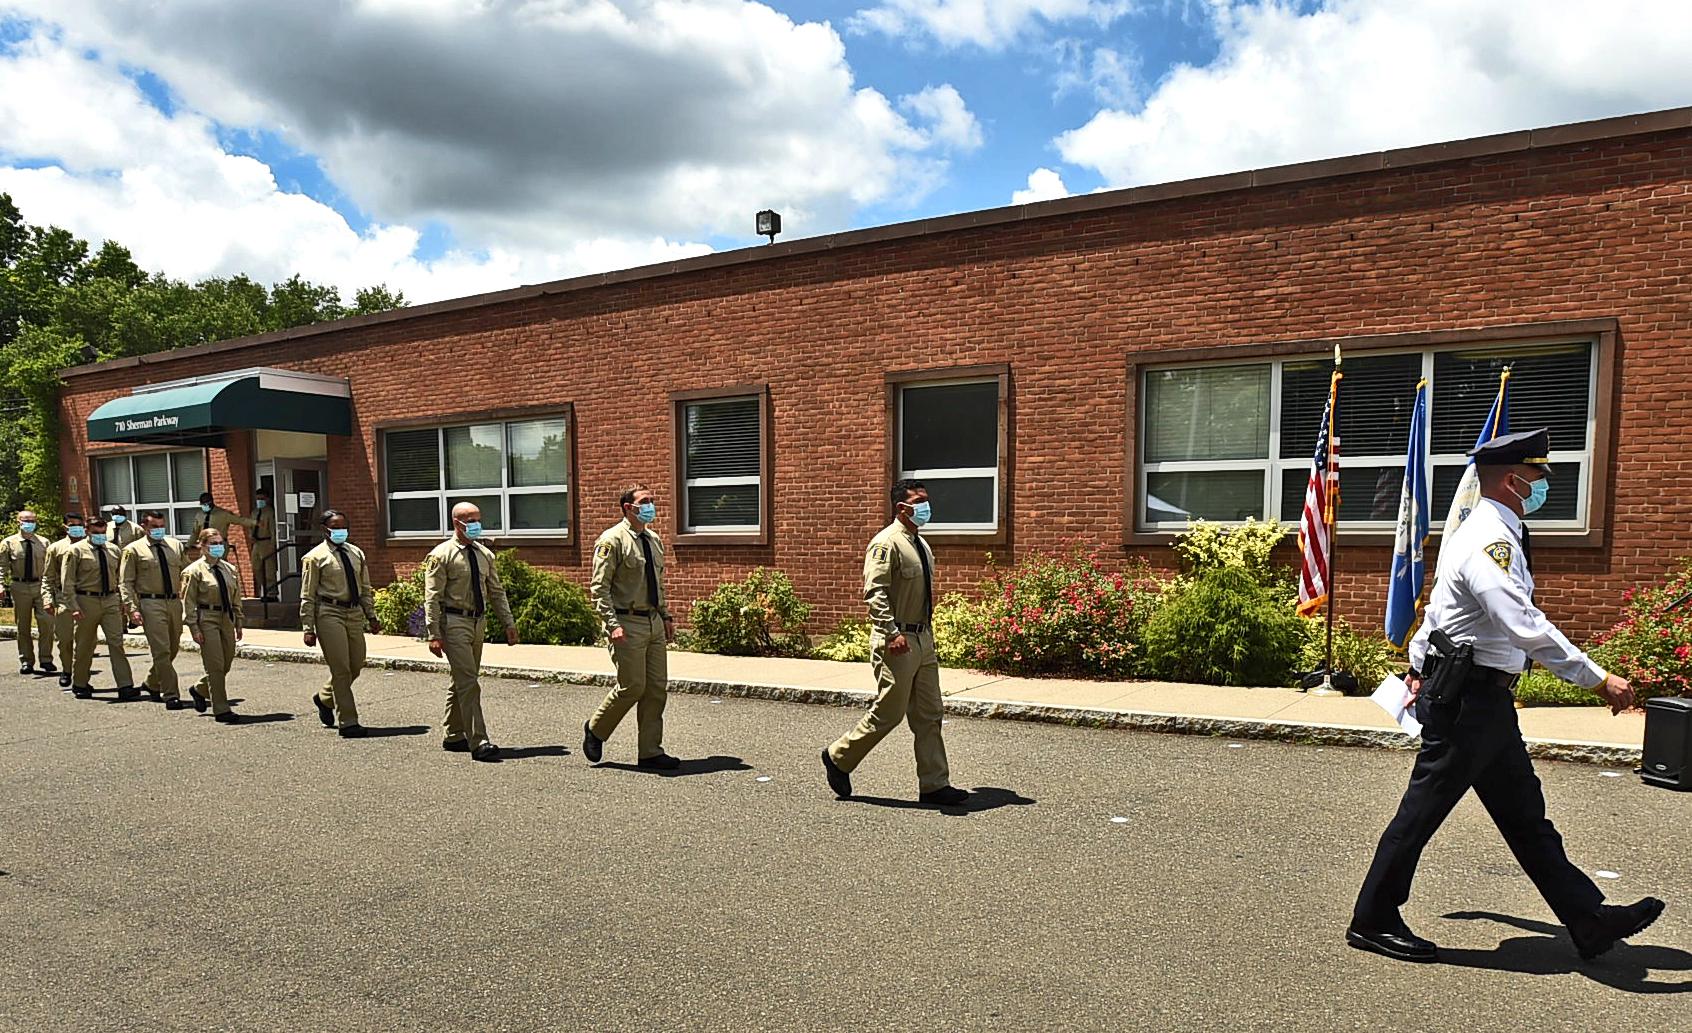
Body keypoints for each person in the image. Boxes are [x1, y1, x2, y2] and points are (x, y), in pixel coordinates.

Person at [1348, 428, 1666, 964]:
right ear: (1513, 478)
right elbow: (1522, 623)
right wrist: (1596, 678)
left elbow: (1439, 617)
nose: (1543, 485)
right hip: (1470, 703)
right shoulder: (1486, 540)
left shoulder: (1493, 533)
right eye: (1537, 476)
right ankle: (1373, 919)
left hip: (1483, 702)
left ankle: (1588, 920)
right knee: (1419, 815)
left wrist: (1416, 665)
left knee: (1525, 817)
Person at [821, 479, 967, 806]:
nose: (926, 506)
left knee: (930, 714)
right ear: (902, 508)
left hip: (922, 639)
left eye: (927, 499)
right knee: (890, 712)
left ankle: (934, 784)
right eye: (920, 500)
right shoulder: (885, 543)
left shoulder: (921, 544)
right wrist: (891, 632)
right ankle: (838, 757)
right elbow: (875, 593)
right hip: (897, 639)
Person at [582, 485, 678, 768]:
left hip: (653, 621)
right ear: (628, 508)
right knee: (633, 686)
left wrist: (666, 616)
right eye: (644, 502)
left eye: (652, 501)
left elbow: (657, 584)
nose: (651, 506)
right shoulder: (612, 540)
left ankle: (650, 751)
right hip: (626, 621)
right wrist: (612, 624)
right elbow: (599, 588)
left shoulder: (654, 540)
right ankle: (596, 729)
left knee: (656, 688)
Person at [423, 501, 516, 761]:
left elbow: (496, 592)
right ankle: (479, 741)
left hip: (478, 622)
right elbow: (432, 597)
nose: (475, 524)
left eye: (477, 518)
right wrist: (434, 633)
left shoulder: (485, 554)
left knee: (463, 679)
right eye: (470, 520)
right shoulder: (441, 555)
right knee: (469, 683)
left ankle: (453, 735)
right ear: (457, 523)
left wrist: (508, 623)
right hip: (454, 623)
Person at [301, 510, 380, 738]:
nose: (341, 531)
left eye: (344, 526)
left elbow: (365, 587)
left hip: (353, 612)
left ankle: (325, 697)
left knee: (356, 663)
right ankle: (348, 722)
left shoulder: (356, 553)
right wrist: (308, 627)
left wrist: (371, 615)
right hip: (329, 613)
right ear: (325, 530)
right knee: (341, 670)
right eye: (335, 527)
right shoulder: (315, 557)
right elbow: (308, 594)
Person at [52, 515, 137, 700]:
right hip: (85, 601)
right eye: (95, 532)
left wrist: (123, 602)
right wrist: (72, 606)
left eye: (102, 532)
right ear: (87, 531)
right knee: (84, 645)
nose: (100, 535)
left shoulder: (114, 550)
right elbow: (67, 582)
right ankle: (80, 683)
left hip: (110, 600)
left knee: (117, 643)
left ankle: (125, 685)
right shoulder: (75, 551)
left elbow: (120, 579)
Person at [120, 510, 187, 709]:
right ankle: (171, 694)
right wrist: (132, 609)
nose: (159, 530)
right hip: (150, 603)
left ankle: (151, 682)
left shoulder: (175, 545)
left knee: (173, 648)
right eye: (154, 527)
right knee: (162, 651)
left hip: (174, 602)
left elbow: (187, 572)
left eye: (161, 526)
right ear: (144, 527)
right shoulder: (133, 550)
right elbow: (126, 582)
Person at [180, 528, 244, 723]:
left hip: (226, 617)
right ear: (202, 545)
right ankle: (221, 709)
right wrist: (194, 627)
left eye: (219, 543)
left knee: (226, 662)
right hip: (206, 617)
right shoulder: (193, 571)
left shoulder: (228, 568)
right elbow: (188, 602)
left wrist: (239, 621)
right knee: (215, 665)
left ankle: (199, 689)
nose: (217, 547)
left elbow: (236, 597)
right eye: (212, 544)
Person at [1, 510, 54, 676]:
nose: (29, 523)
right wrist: (0, 585)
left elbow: (51, 567)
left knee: (46, 622)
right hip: (20, 586)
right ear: (18, 521)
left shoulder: (44, 542)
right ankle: (26, 661)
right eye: (26, 520)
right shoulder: (8, 543)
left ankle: (46, 659)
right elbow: (1, 566)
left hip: (41, 585)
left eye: (32, 520)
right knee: (22, 626)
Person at [40, 513, 85, 688]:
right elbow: (47, 577)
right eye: (73, 525)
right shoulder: (56, 548)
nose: (77, 528)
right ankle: (67, 670)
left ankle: (81, 673)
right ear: (65, 527)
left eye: (80, 524)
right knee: (65, 639)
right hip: (64, 598)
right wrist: (47, 599)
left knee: (84, 641)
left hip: (86, 598)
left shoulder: (91, 546)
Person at [190, 492, 256, 560]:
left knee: (218, 565)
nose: (204, 506)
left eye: (206, 504)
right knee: (205, 566)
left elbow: (240, 520)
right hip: (205, 545)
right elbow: (195, 532)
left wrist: (255, 523)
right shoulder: (199, 515)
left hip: (218, 545)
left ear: (211, 502)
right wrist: (188, 545)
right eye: (202, 504)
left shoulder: (223, 514)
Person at [251, 488, 279, 600]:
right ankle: (265, 589)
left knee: (269, 570)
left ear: (267, 499)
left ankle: (272, 593)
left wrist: (273, 544)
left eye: (262, 499)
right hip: (257, 543)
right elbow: (251, 525)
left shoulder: (270, 512)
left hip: (266, 541)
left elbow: (273, 529)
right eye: (257, 499)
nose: (259, 501)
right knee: (256, 567)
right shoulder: (254, 512)